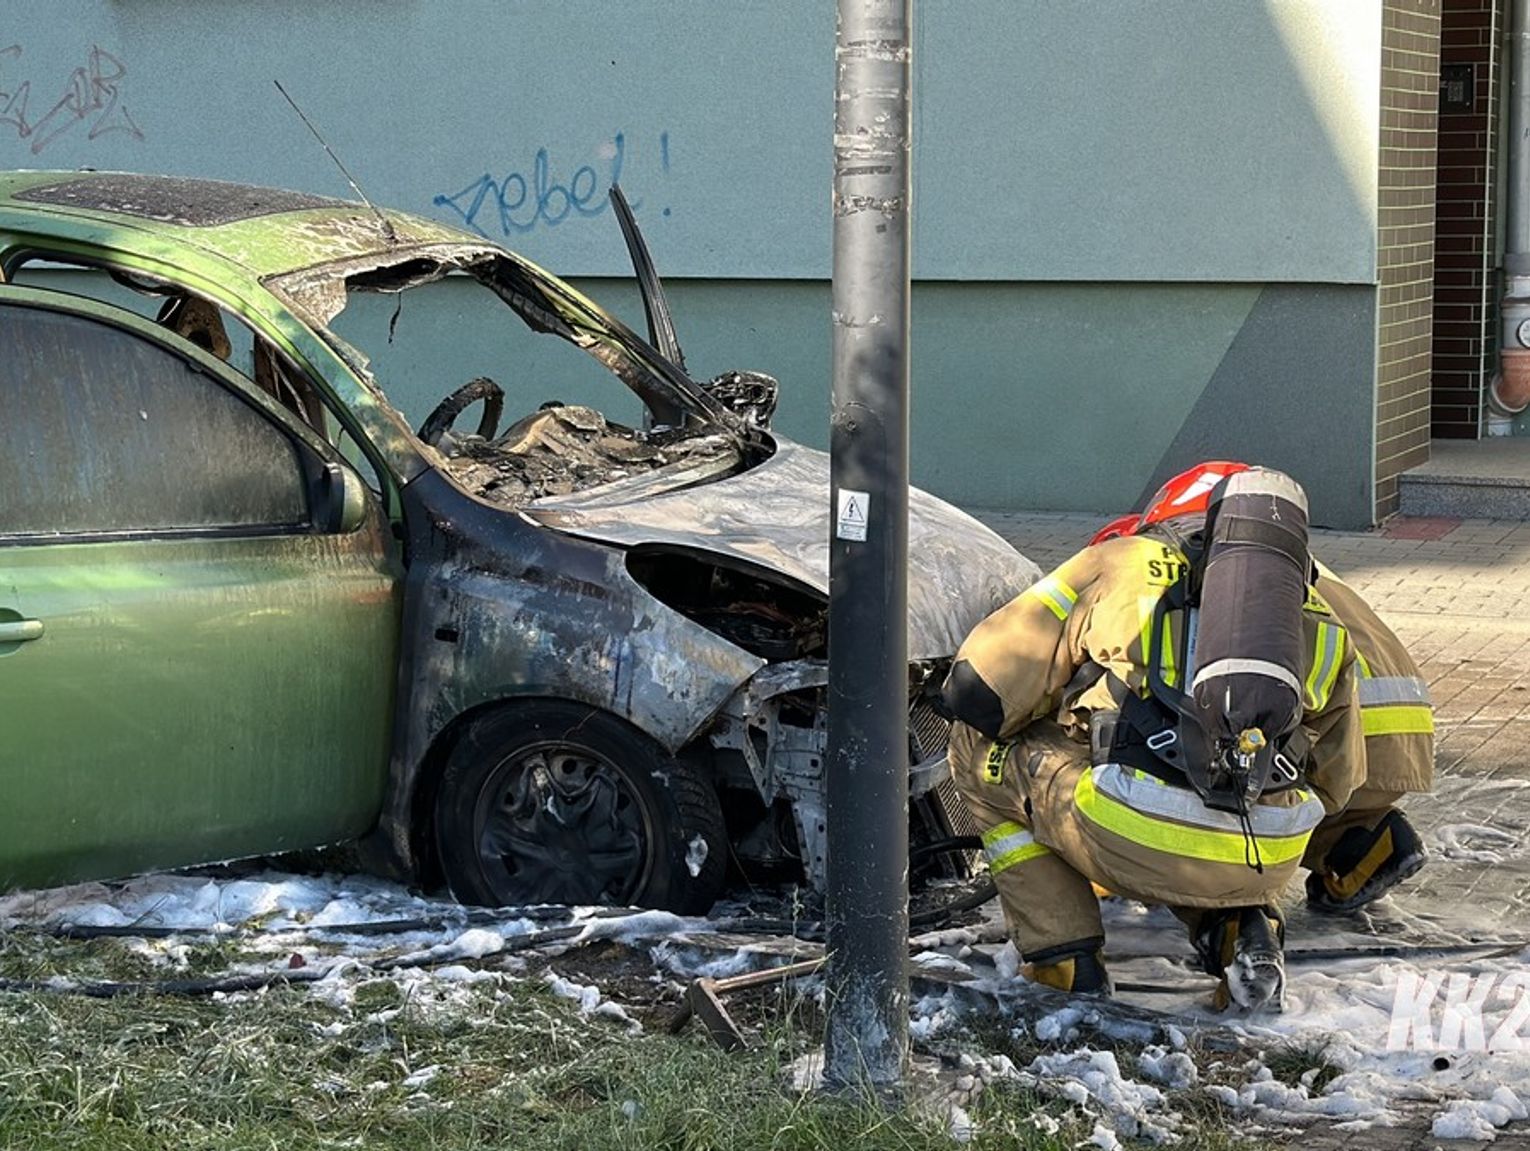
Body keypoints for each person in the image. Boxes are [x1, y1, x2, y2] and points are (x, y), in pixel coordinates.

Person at [943, 467, 1366, 1010]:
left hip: (1134, 830)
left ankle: (1062, 958)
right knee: (1207, 812)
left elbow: (984, 693)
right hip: (1269, 855)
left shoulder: (1121, 561)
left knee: (978, 752)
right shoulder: (1315, 615)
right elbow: (1339, 783)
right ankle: (1240, 929)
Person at [1092, 461, 1434, 912]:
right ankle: (1371, 842)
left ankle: (1217, 898)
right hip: (1401, 744)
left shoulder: (1197, 578)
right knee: (1308, 782)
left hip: (1340, 740)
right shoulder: (1286, 567)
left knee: (1238, 775)